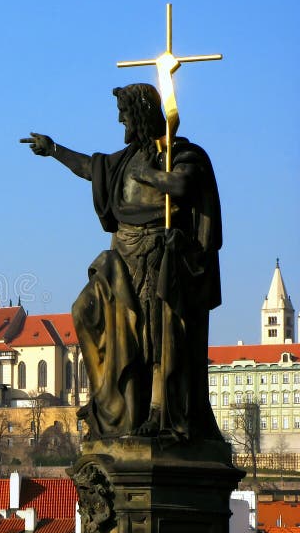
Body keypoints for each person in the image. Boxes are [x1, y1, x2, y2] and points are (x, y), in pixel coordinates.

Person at [26, 83, 222, 442]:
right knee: (85, 310)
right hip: (123, 258)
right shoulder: (126, 159)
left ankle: (159, 412)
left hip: (160, 257)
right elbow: (91, 168)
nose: (121, 122)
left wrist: (149, 174)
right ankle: (110, 402)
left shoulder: (180, 152)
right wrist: (54, 150)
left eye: (125, 115)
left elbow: (182, 187)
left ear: (142, 115)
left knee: (155, 337)